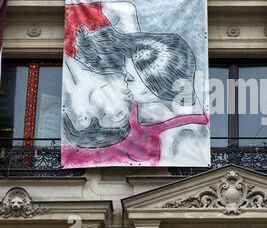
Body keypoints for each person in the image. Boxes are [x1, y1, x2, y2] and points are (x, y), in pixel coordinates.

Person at [63, 17, 208, 166]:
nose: (125, 82)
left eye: (130, 79)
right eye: (126, 75)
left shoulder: (184, 134)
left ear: (152, 88)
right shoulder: (134, 106)